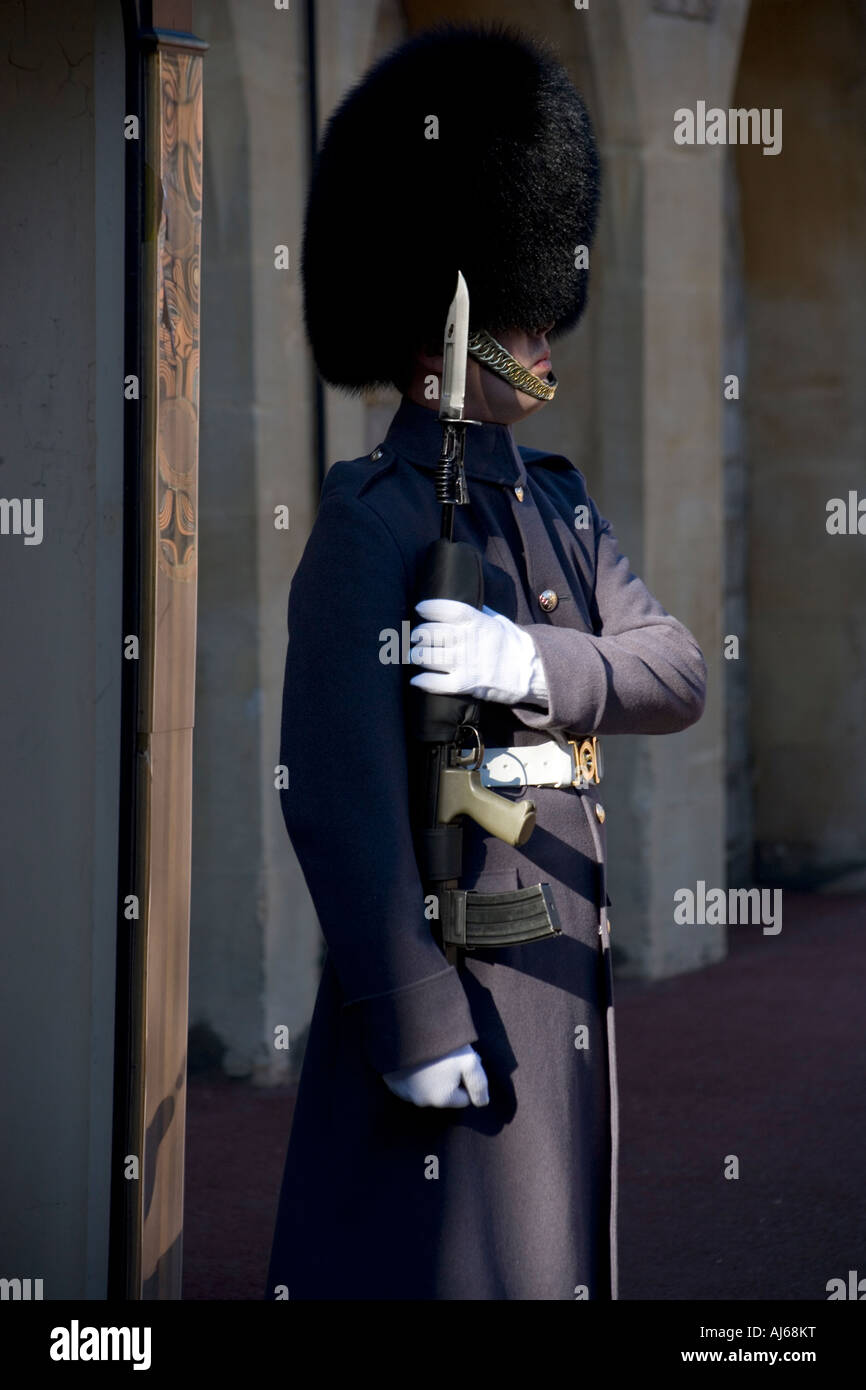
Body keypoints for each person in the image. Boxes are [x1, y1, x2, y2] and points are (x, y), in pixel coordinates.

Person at [265, 22, 706, 1302]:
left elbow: (669, 670)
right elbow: (335, 793)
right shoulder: (374, 521)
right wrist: (410, 1016)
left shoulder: (559, 508)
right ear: (442, 333)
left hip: (555, 971)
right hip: (449, 981)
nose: (543, 336)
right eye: (515, 309)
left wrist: (536, 656)